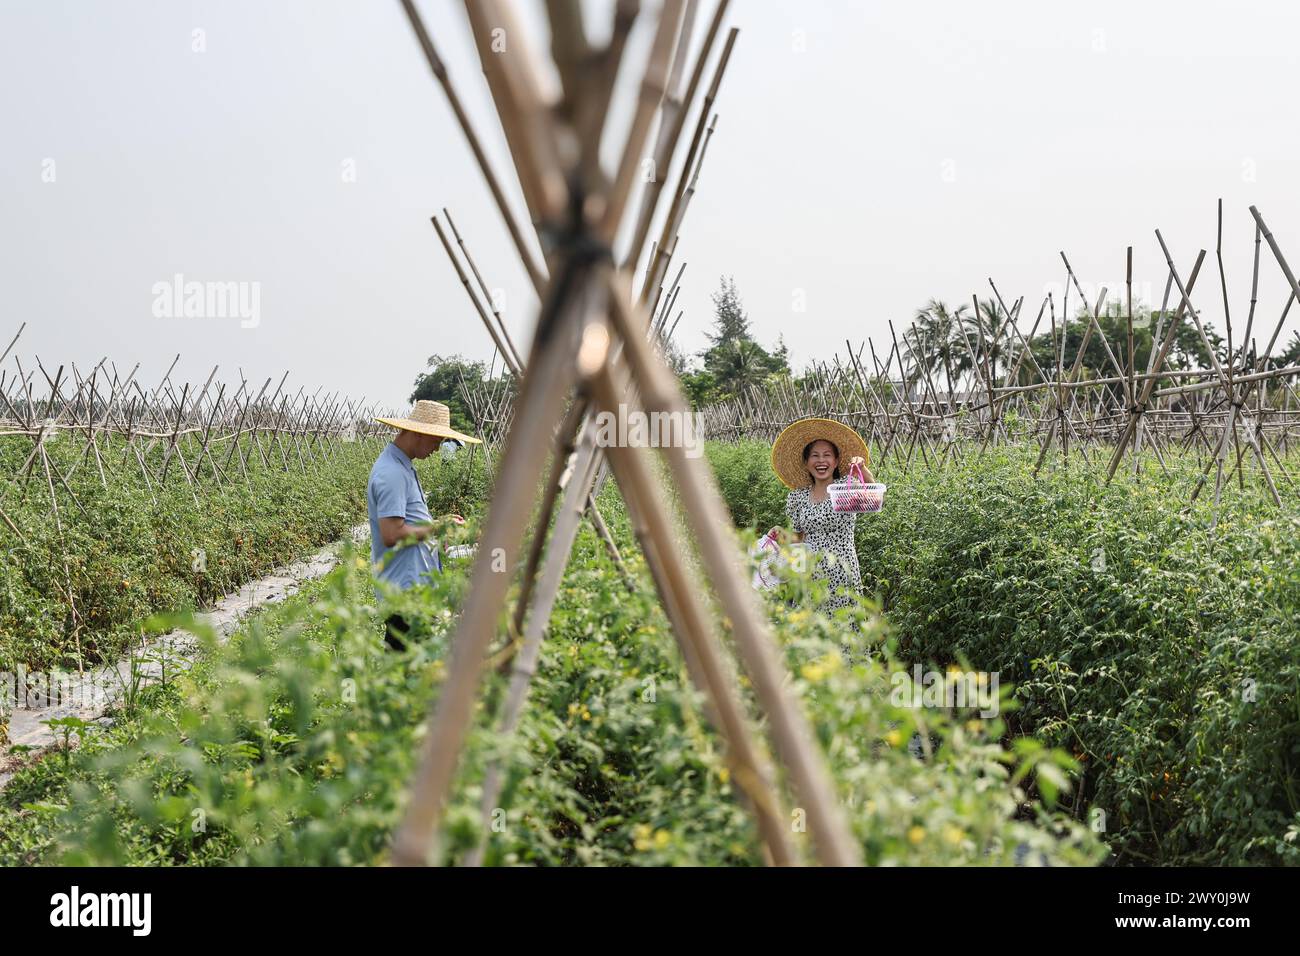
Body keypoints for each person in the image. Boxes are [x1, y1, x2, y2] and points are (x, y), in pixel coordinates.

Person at [369, 400, 480, 650]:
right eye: (436, 441)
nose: (437, 449)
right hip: (406, 593)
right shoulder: (392, 473)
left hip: (412, 589)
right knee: (408, 671)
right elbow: (391, 533)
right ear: (419, 433)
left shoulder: (401, 467)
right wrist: (437, 528)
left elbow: (406, 524)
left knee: (404, 667)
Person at [767, 418, 874, 617]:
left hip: (841, 571)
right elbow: (799, 537)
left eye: (827, 455)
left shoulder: (846, 488)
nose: (821, 461)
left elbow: (876, 497)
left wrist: (863, 469)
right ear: (806, 463)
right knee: (814, 629)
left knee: (843, 628)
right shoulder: (797, 497)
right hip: (808, 573)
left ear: (835, 461)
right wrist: (780, 534)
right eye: (815, 456)